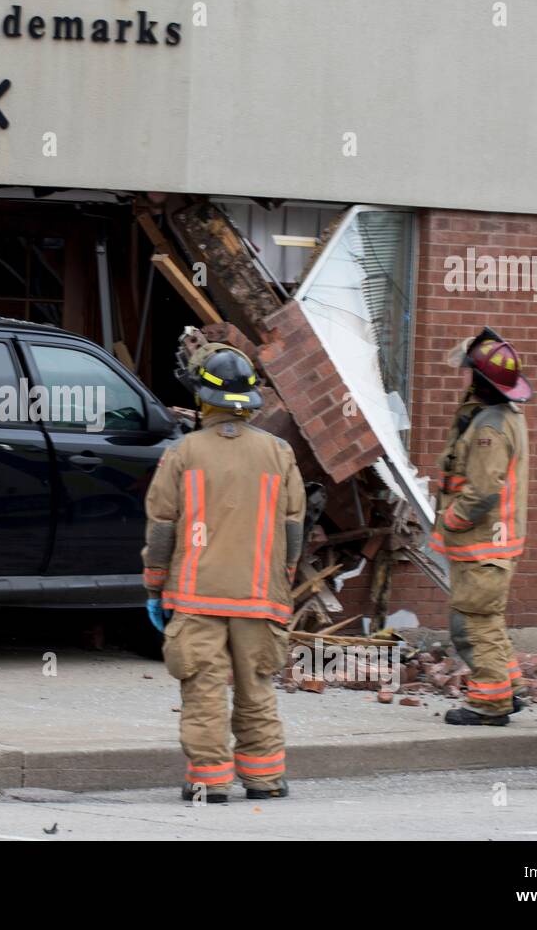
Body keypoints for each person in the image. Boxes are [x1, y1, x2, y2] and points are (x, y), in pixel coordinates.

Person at [143, 339, 304, 803]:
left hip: (196, 599)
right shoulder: (279, 453)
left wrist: (155, 588)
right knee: (257, 689)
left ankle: (209, 782)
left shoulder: (182, 453)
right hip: (260, 596)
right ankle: (265, 779)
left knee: (204, 692)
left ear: (201, 398)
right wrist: (282, 580)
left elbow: (161, 531)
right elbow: (293, 530)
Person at [432, 327, 532, 726]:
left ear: (480, 380)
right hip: (492, 542)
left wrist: (451, 521)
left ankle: (489, 704)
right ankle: (510, 689)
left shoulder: (490, 427)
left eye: (469, 372)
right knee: (487, 620)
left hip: (482, 543)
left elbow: (484, 489)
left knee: (471, 626)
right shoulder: (500, 415)